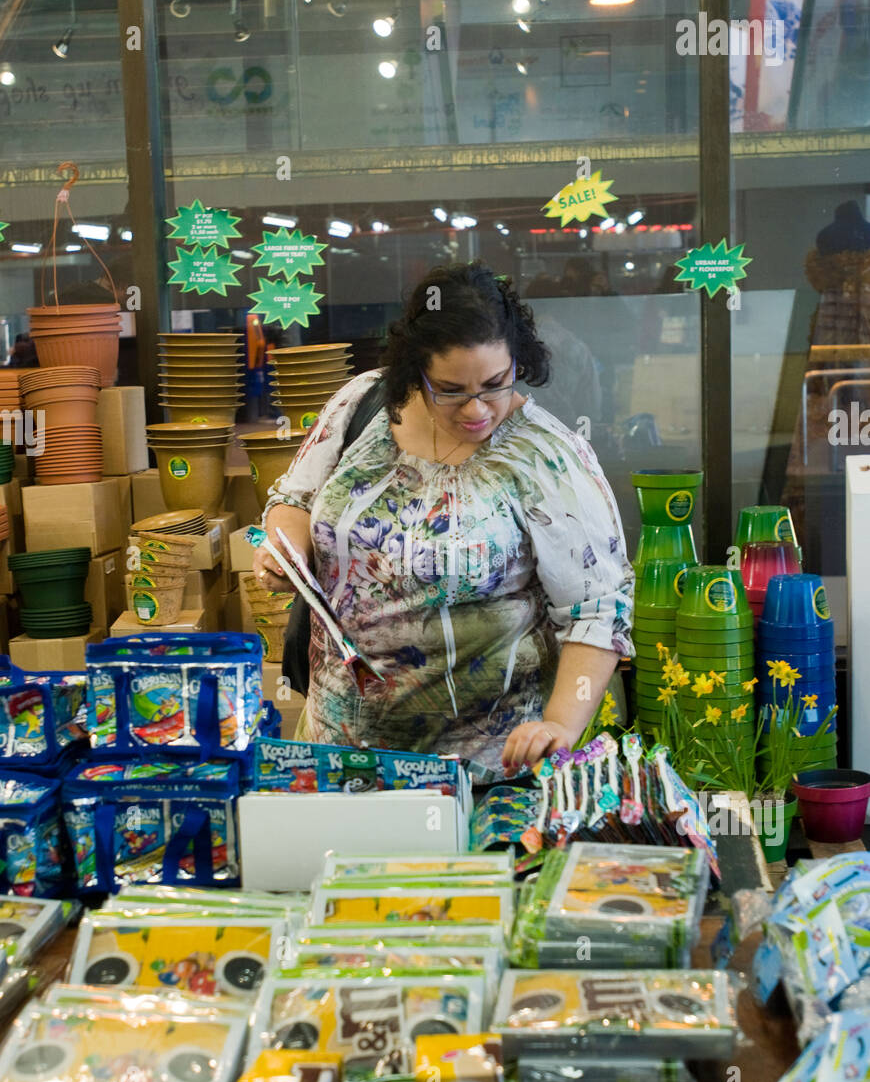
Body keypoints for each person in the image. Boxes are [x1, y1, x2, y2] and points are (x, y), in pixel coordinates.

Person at [253, 261, 634, 778]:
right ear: (416, 369)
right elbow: (292, 501)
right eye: (451, 389)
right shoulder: (362, 402)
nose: (477, 409)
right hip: (337, 756)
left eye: (495, 384)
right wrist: (288, 552)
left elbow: (598, 612)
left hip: (479, 775)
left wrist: (561, 727)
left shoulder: (548, 458)